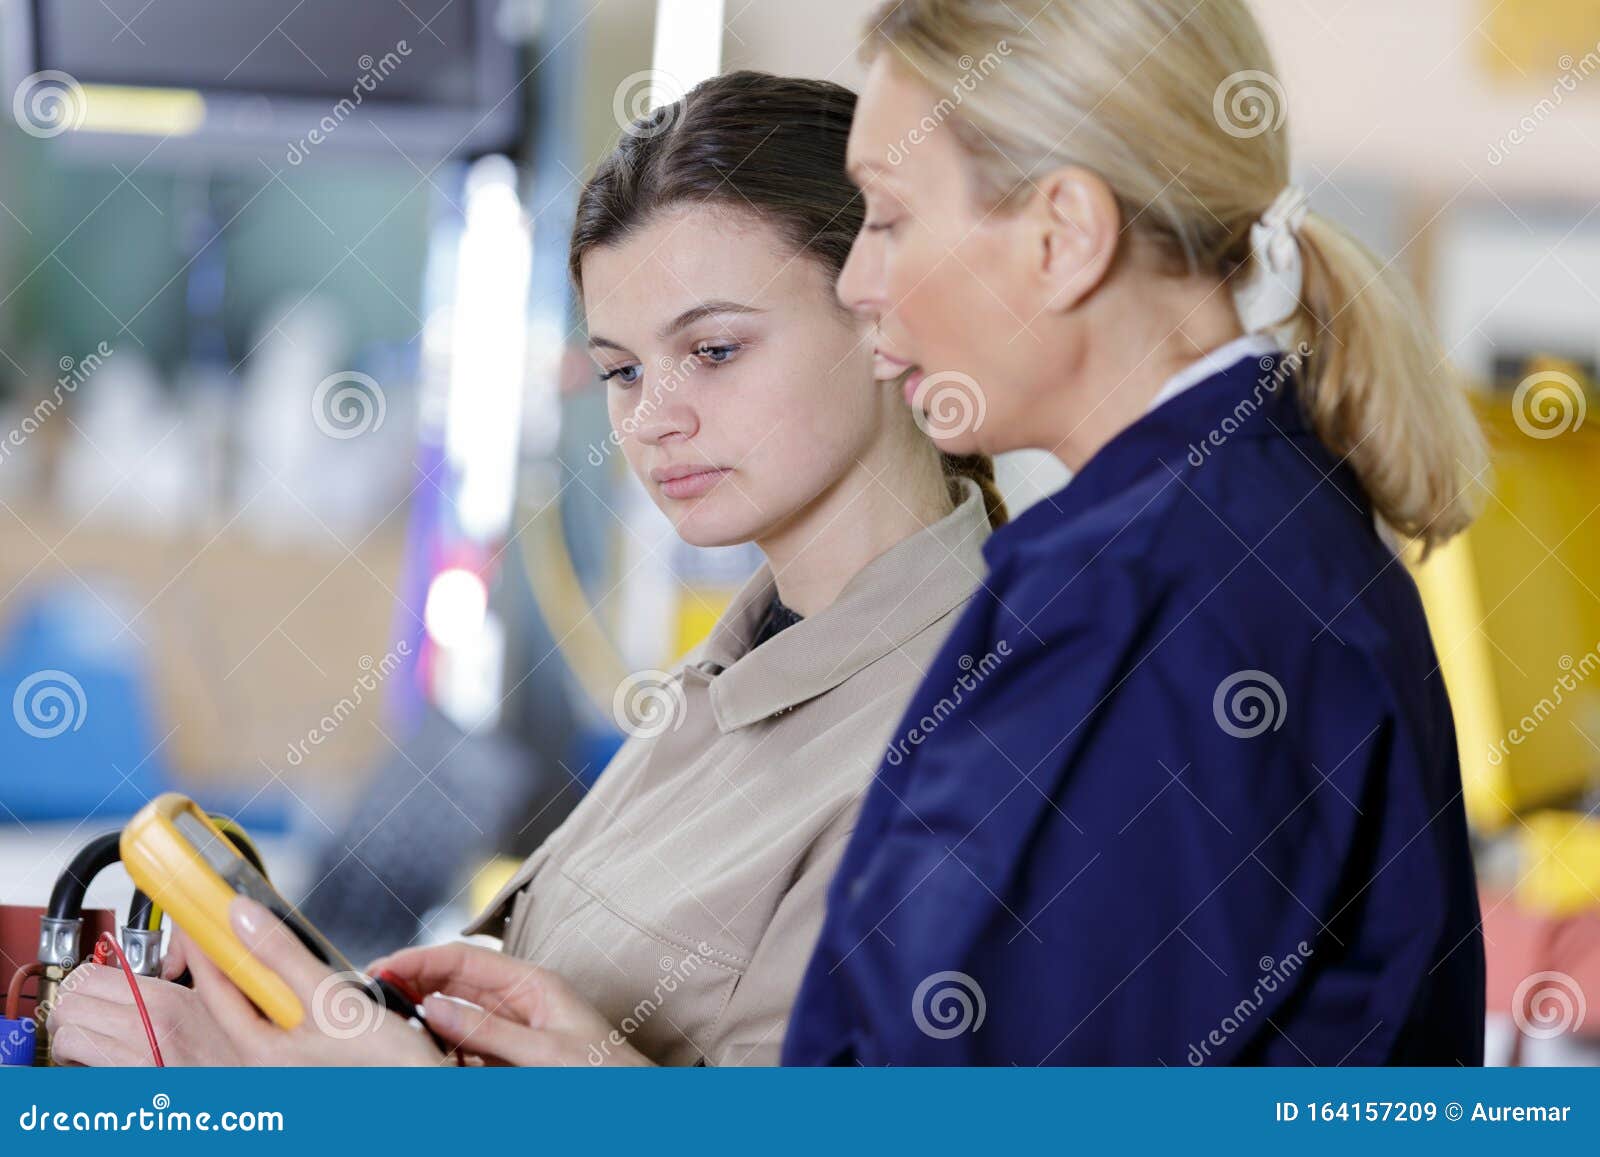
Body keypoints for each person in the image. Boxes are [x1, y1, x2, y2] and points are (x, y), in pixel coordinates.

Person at [46, 71, 1006, 1068]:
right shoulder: (738, 671)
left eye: (714, 349)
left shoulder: (969, 737)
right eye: (622, 370)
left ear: (888, 315)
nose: (651, 417)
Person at [782, 0, 1489, 1065]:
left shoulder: (1151, 602)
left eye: (886, 219)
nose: (855, 282)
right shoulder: (1230, 527)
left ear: (1063, 235)